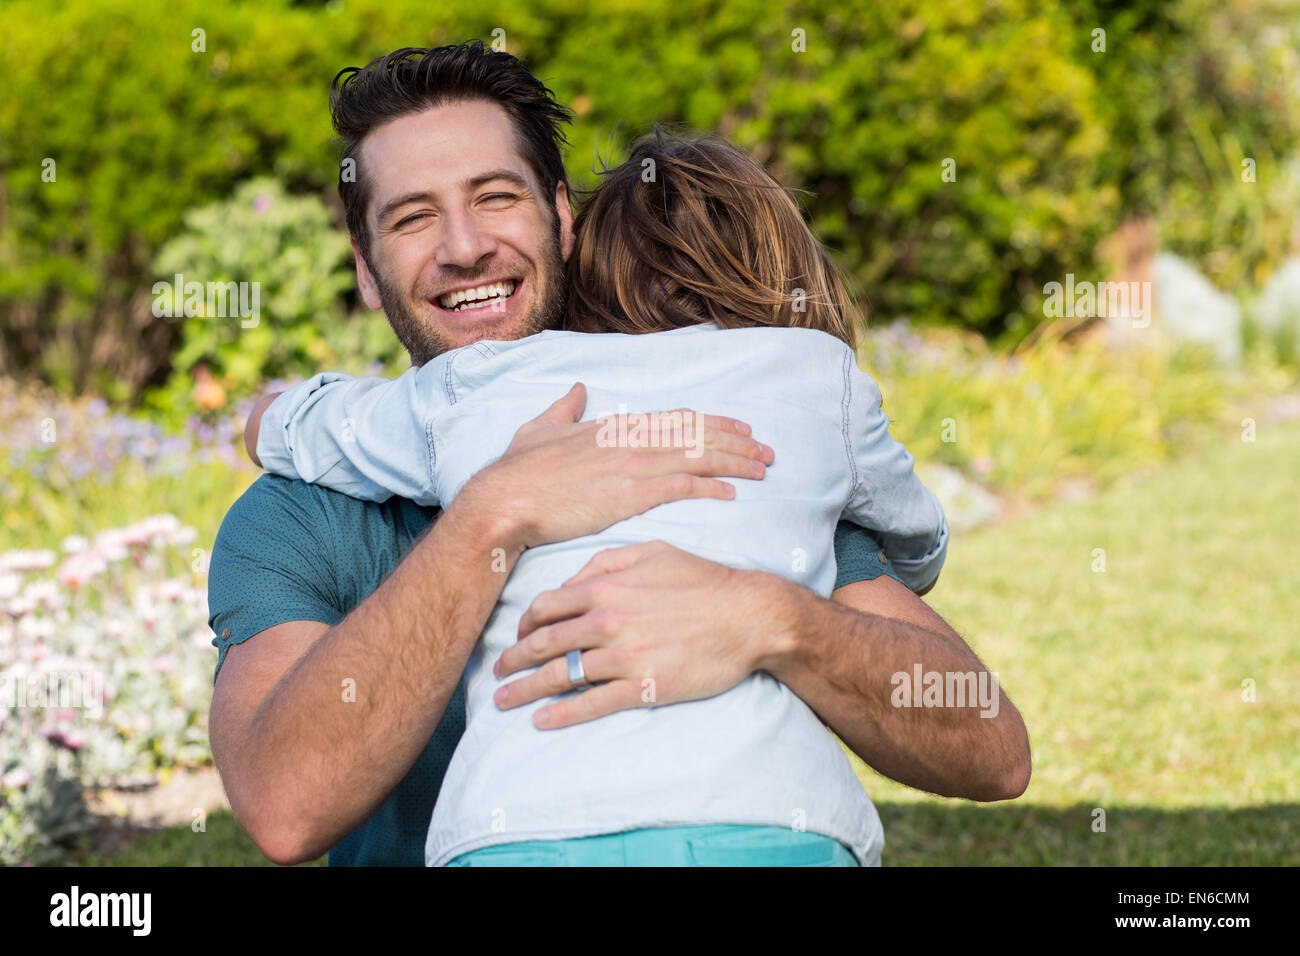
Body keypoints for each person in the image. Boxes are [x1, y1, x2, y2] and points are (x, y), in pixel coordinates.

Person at [207, 42, 1031, 867]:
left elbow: (992, 748)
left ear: (561, 219)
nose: (463, 248)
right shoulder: (298, 513)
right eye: (413, 216)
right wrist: (496, 513)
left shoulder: (707, 454)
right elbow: (286, 811)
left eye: (494, 197)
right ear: (366, 269)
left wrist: (778, 620)